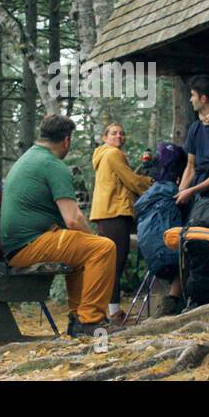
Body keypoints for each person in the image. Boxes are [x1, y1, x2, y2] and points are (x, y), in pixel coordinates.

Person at [0, 114, 119, 337]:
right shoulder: (53, 165)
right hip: (29, 244)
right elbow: (73, 219)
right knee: (103, 248)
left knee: (83, 253)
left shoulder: (28, 158)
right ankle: (92, 320)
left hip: (17, 245)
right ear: (66, 140)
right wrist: (93, 238)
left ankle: (77, 320)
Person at [155, 74, 209, 316]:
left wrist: (192, 190)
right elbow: (190, 166)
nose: (190, 100)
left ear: (203, 98)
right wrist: (182, 192)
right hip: (198, 196)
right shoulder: (195, 128)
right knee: (191, 244)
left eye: (193, 96)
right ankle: (190, 297)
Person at [90, 122, 154, 324]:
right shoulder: (112, 154)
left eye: (121, 133)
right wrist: (153, 184)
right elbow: (132, 181)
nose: (119, 136)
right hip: (114, 213)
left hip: (107, 213)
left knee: (112, 263)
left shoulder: (103, 155)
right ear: (104, 137)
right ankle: (113, 314)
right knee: (115, 263)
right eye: (113, 133)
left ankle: (111, 311)